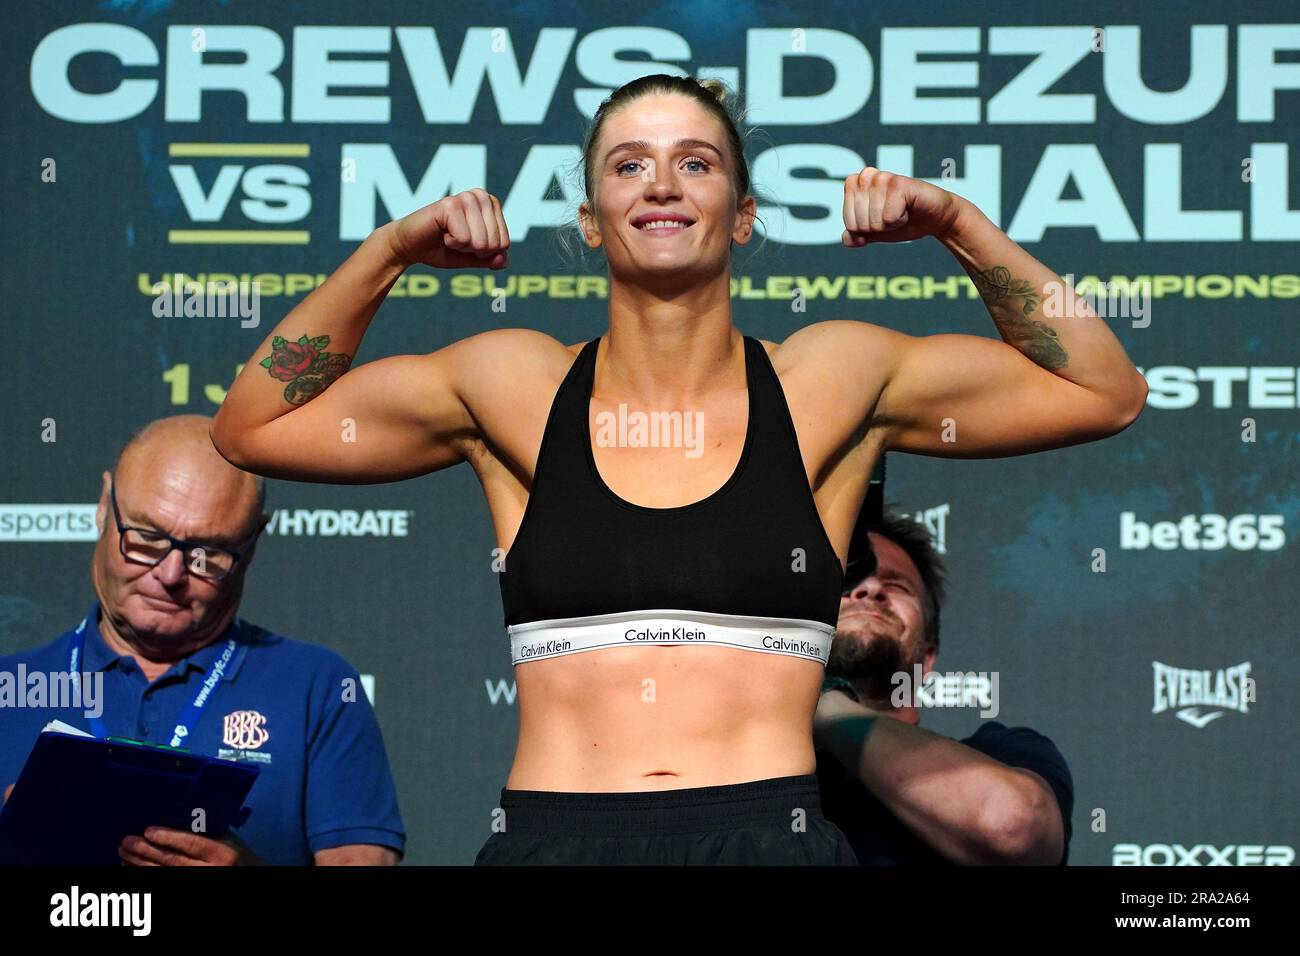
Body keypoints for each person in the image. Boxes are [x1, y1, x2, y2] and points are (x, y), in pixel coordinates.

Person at [209, 74, 1143, 865]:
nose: (661, 183)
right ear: (590, 218)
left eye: (696, 161)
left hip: (764, 838)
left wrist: (958, 223)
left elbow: (1104, 392)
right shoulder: (508, 382)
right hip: (554, 837)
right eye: (629, 164)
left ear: (742, 216)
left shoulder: (833, 378)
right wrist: (390, 252)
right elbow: (252, 425)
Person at [0, 416, 405, 866]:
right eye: (147, 538)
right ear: (103, 505)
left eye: (206, 554)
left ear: (251, 546)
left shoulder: (320, 689)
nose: (170, 575)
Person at [815, 508, 1074, 864]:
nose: (871, 588)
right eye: (848, 579)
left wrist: (827, 706)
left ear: (929, 657)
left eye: (896, 585)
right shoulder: (748, 768)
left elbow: (1012, 826)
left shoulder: (1001, 751)